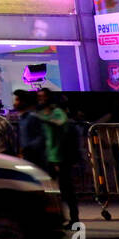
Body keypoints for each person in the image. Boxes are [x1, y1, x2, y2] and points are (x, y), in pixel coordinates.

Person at [38, 89, 80, 227]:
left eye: (43, 97)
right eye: (39, 97)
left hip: (60, 157)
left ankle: (74, 219)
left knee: (66, 190)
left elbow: (61, 122)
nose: (41, 99)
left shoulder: (56, 112)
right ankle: (57, 218)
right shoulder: (41, 114)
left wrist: (45, 119)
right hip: (49, 157)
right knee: (52, 191)